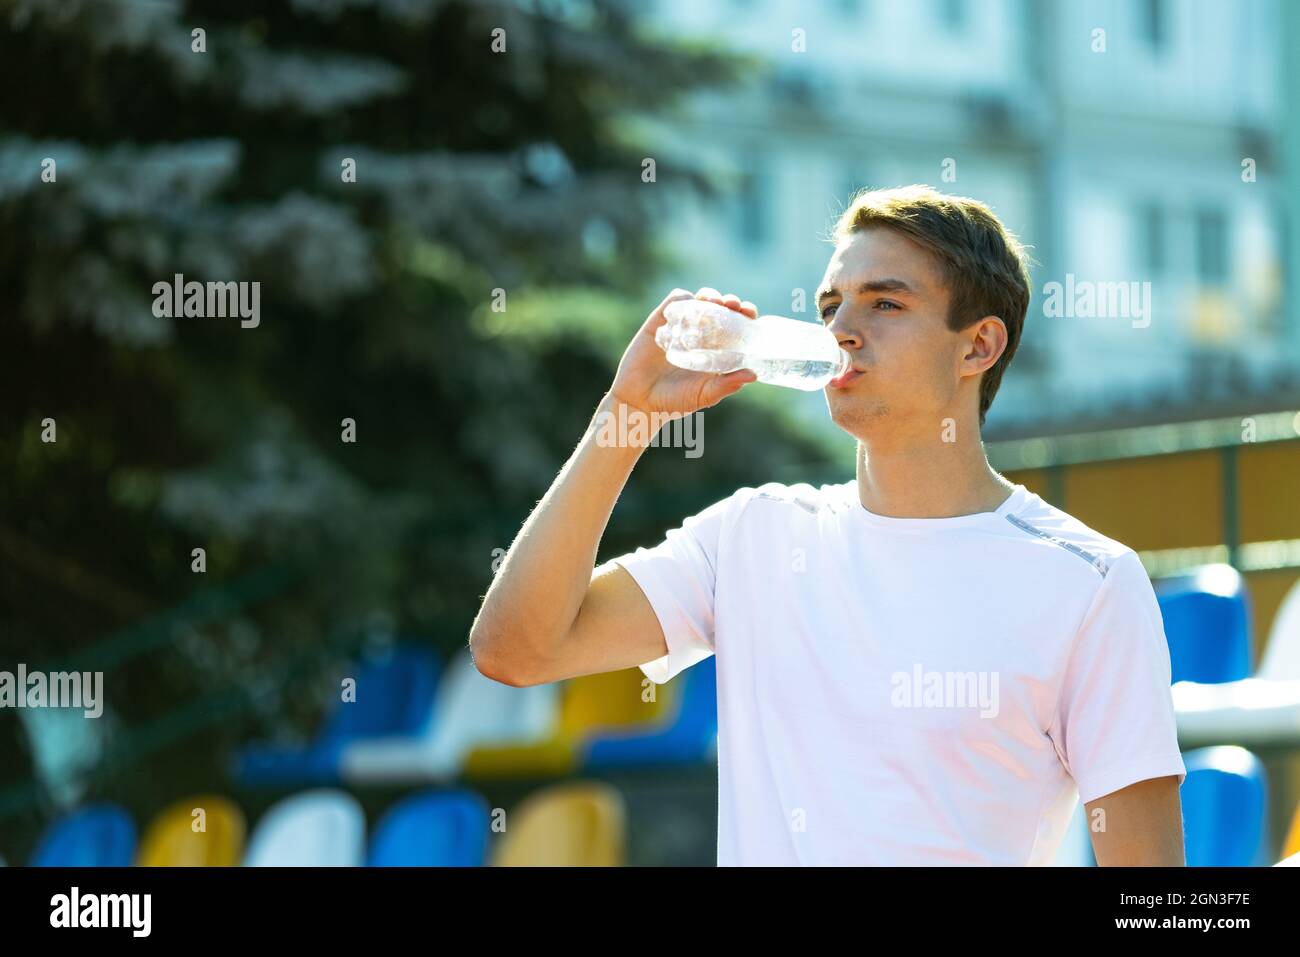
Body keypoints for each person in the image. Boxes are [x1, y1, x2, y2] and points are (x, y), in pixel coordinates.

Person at [469, 184, 1186, 866]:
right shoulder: (752, 535)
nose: (843, 331)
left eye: (885, 305)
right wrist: (628, 412)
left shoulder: (1087, 583)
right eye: (831, 305)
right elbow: (516, 649)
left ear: (978, 347)